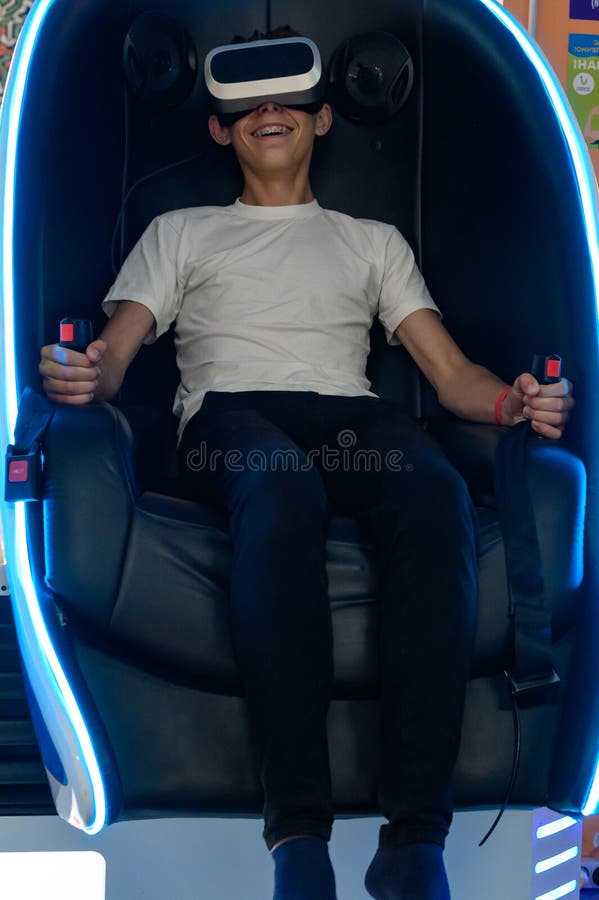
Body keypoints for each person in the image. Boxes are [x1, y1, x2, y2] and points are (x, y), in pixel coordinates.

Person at [38, 32, 574, 900]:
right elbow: (116, 355)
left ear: (323, 117)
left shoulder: (370, 241)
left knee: (434, 491)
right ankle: (298, 836)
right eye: (248, 105)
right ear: (221, 132)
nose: (270, 112)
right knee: (280, 485)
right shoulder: (180, 232)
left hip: (352, 417)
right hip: (227, 418)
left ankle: (413, 841)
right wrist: (79, 374)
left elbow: (450, 375)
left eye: (289, 100)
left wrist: (513, 402)